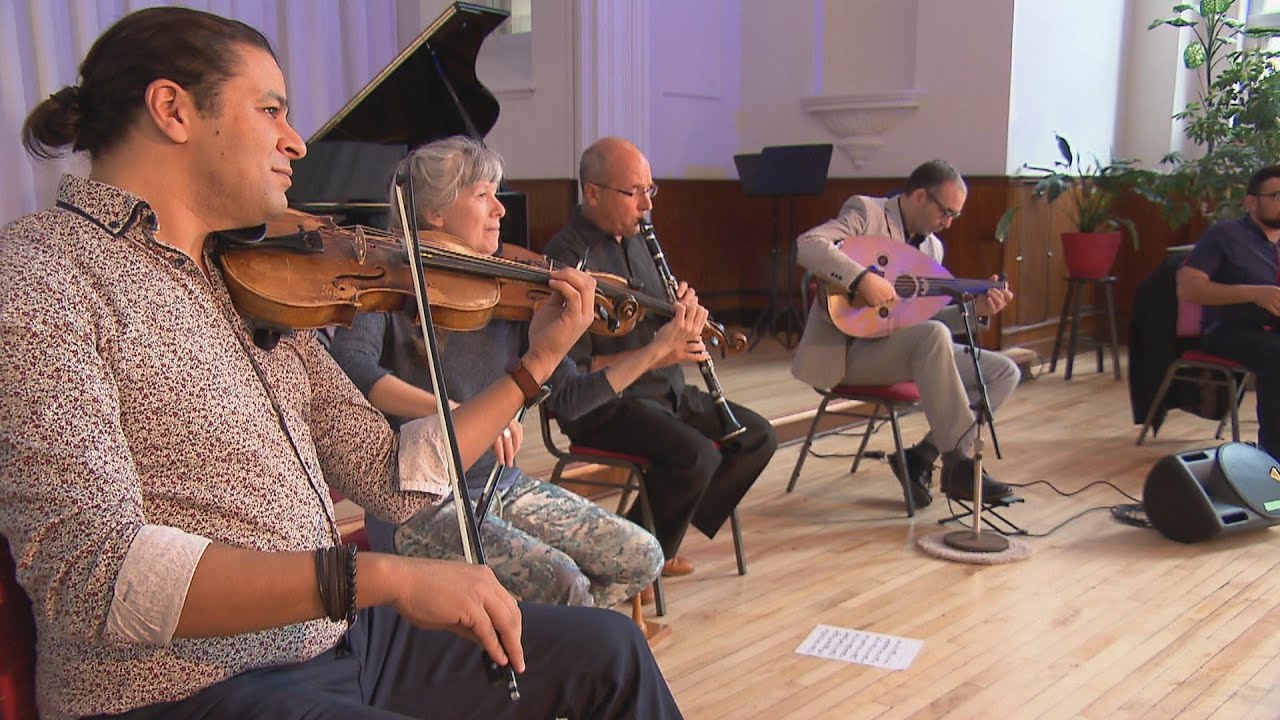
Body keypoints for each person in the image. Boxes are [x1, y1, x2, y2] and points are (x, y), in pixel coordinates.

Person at [0, 8, 681, 720]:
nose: (295, 142)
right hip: (183, 689)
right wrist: (380, 576)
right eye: (271, 111)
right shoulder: (46, 273)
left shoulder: (248, 280)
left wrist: (535, 364)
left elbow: (393, 479)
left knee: (611, 651)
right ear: (172, 109)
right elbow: (92, 575)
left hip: (338, 641)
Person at [328, 136, 663, 608]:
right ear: (437, 213)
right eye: (483, 195)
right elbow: (352, 368)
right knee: (564, 583)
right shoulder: (389, 282)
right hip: (418, 502)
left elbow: (565, 393)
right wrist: (457, 415)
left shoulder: (505, 287)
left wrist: (561, 341)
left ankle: (543, 640)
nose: (500, 210)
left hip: (499, 484)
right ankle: (548, 653)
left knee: (642, 555)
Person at [542, 137, 777, 578]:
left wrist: (681, 310)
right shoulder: (569, 259)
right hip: (604, 407)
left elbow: (652, 323)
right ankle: (629, 561)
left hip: (664, 392)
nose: (647, 205)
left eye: (652, 190)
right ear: (592, 192)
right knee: (694, 458)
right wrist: (662, 353)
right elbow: (570, 379)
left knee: (757, 437)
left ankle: (652, 538)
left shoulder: (640, 239)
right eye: (636, 192)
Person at [792, 159, 1019, 506]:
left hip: (901, 346)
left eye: (955, 216)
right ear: (917, 196)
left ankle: (922, 457)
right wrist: (861, 278)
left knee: (1003, 371)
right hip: (847, 352)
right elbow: (808, 244)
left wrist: (977, 311)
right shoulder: (867, 213)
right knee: (932, 338)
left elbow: (926, 319)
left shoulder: (932, 249)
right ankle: (961, 464)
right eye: (945, 212)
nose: (948, 223)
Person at [1177, 164, 1280, 461]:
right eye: (1276, 196)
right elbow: (1188, 288)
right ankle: (1273, 460)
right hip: (1228, 330)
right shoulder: (1224, 235)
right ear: (1251, 202)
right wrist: (1255, 294)